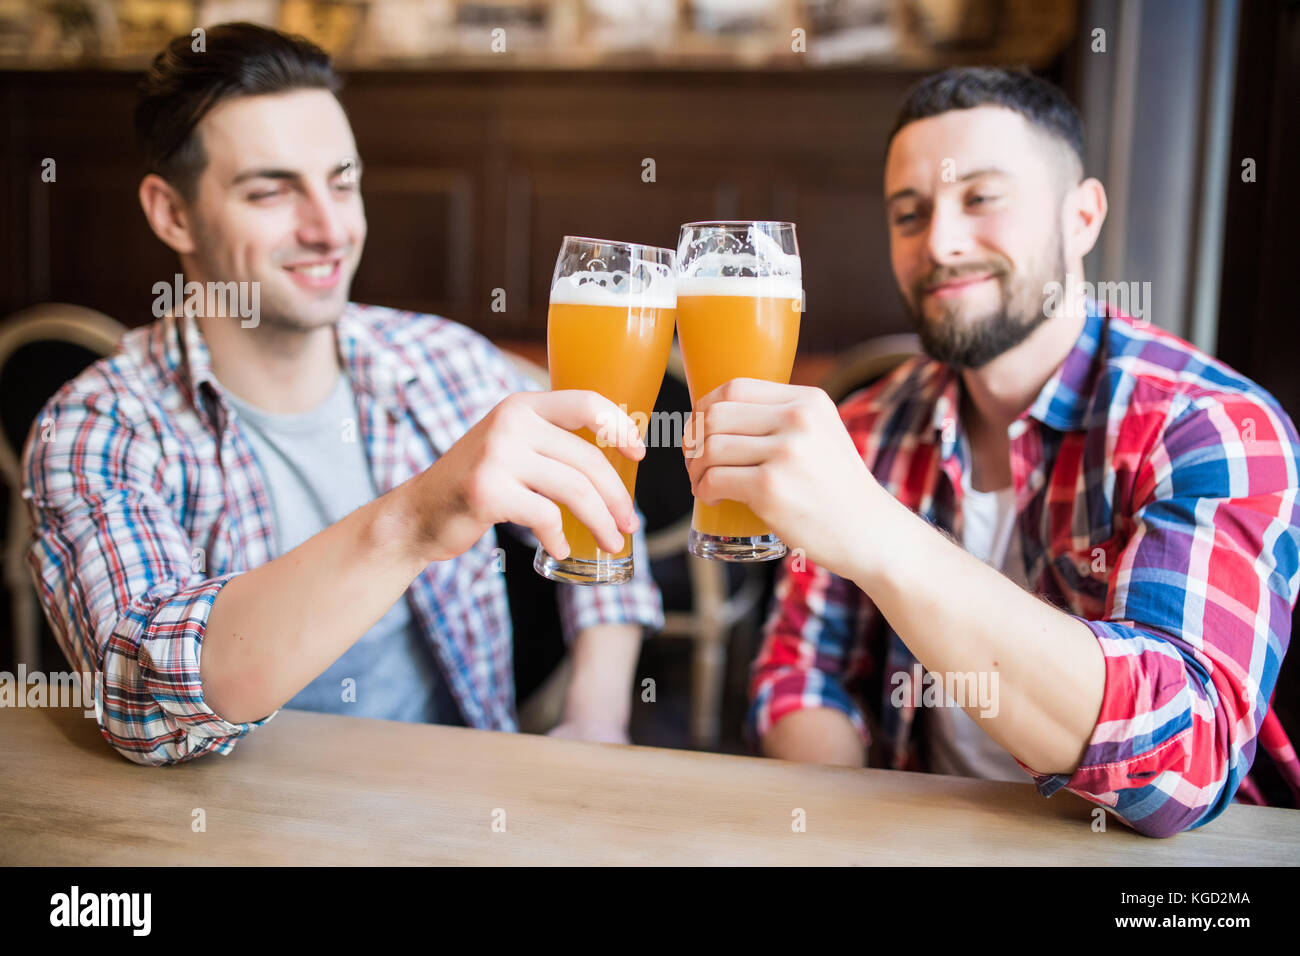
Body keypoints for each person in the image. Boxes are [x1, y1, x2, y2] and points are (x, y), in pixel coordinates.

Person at [20, 23, 662, 767]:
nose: (330, 229)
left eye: (343, 182)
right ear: (172, 214)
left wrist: (597, 718)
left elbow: (612, 523)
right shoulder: (99, 424)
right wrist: (416, 518)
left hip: (464, 823)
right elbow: (145, 697)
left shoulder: (444, 362)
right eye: (272, 190)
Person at [684, 67, 1300, 837]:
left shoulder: (1209, 424)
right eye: (909, 213)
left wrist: (878, 534)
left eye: (981, 198)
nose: (939, 240)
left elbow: (1184, 759)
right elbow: (801, 679)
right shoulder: (869, 423)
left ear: (1081, 217)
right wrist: (844, 844)